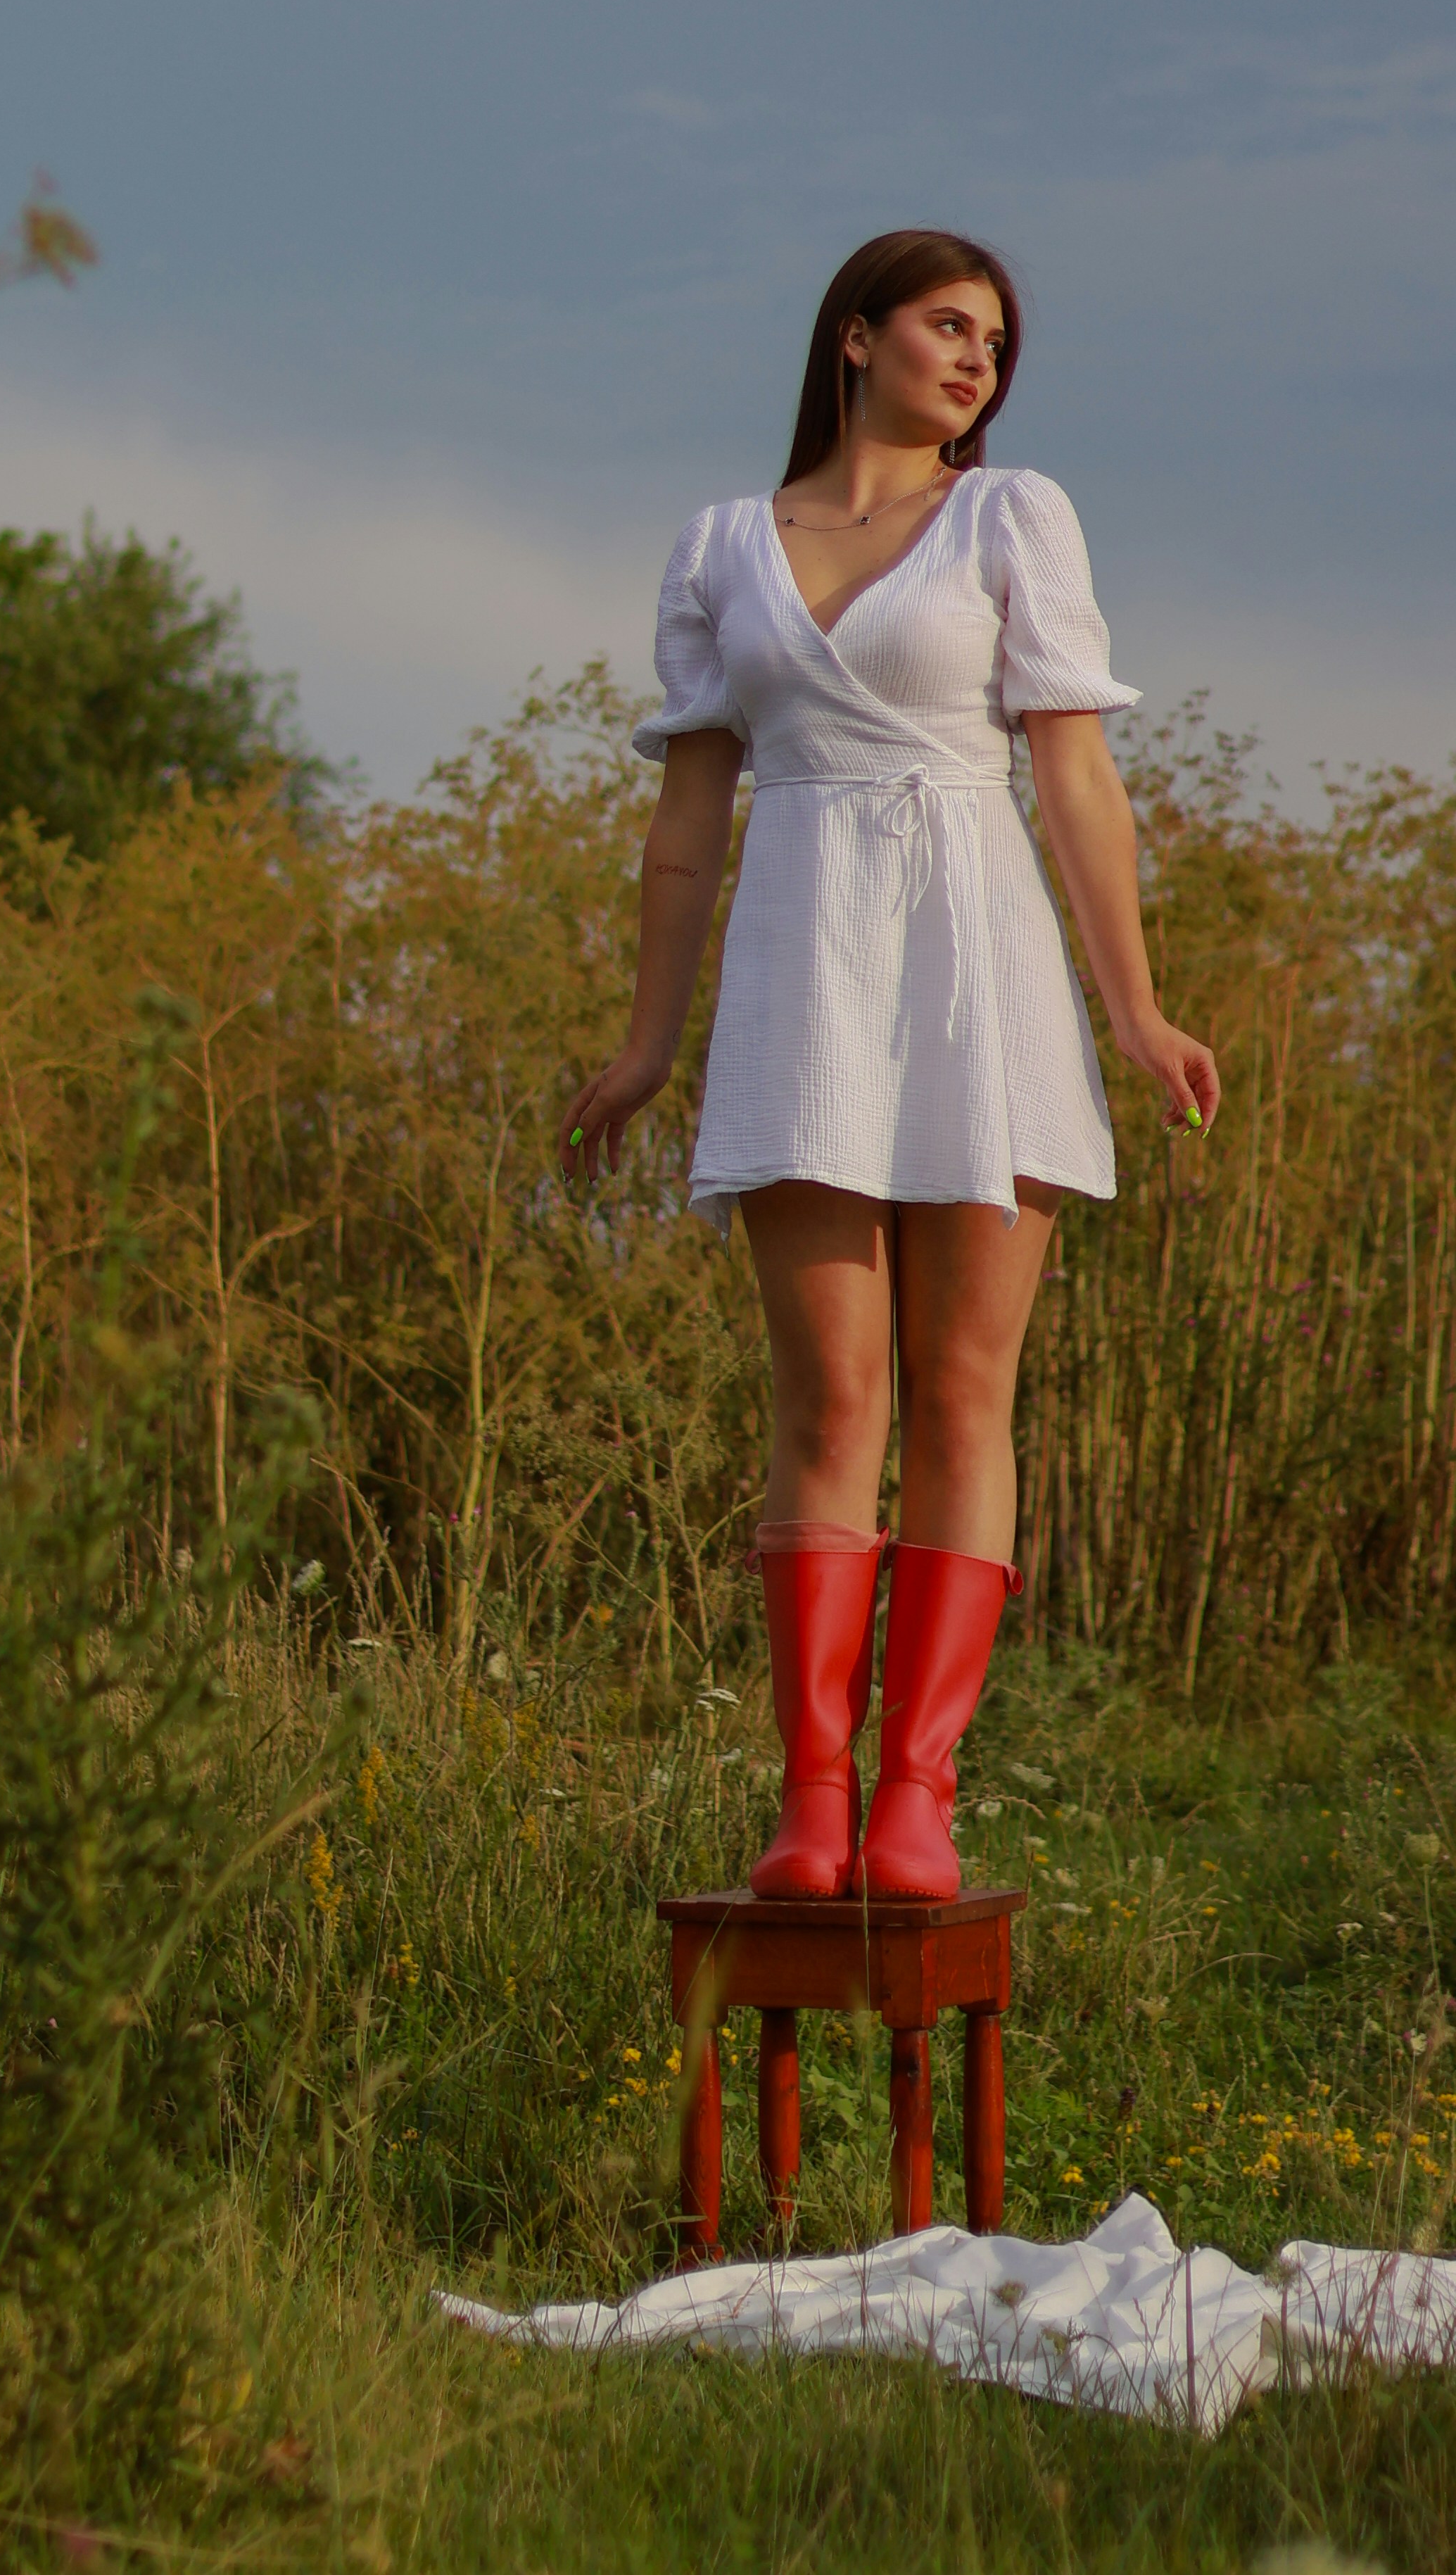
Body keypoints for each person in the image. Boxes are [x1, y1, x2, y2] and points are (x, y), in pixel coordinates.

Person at [563, 231, 1220, 1903]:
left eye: (995, 341)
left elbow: (1074, 781)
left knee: (959, 1390)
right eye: (946, 325)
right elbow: (684, 826)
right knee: (829, 1394)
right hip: (803, 970)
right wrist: (644, 1045)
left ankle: (917, 1797)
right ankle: (809, 1795)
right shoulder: (721, 546)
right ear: (853, 337)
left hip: (974, 964)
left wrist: (1135, 1010)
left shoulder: (1013, 516)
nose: (976, 359)